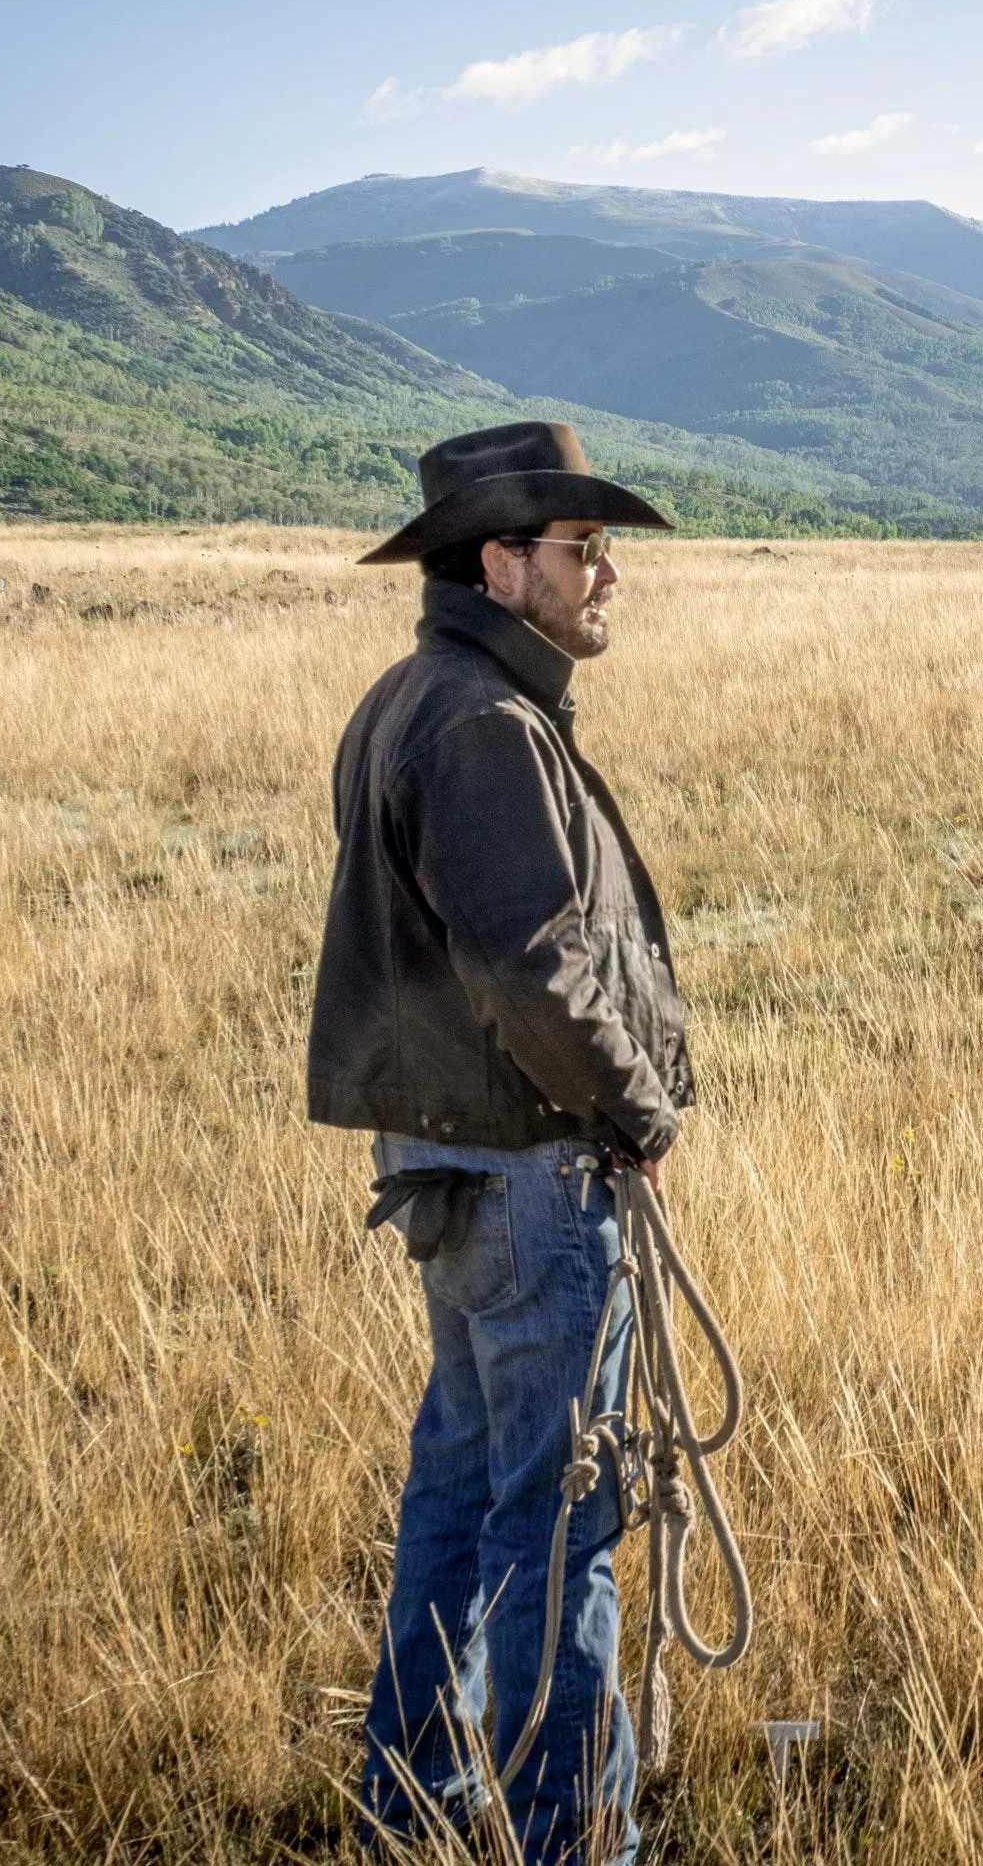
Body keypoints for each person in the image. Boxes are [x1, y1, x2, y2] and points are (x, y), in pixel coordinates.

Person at [309, 421, 692, 1863]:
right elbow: (532, 968)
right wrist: (639, 1109)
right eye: (583, 547)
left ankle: (409, 1802)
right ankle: (571, 1836)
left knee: (467, 1487)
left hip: (458, 1169)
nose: (607, 574)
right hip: (531, 1174)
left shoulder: (417, 698)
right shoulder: (480, 723)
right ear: (499, 563)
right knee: (562, 1518)